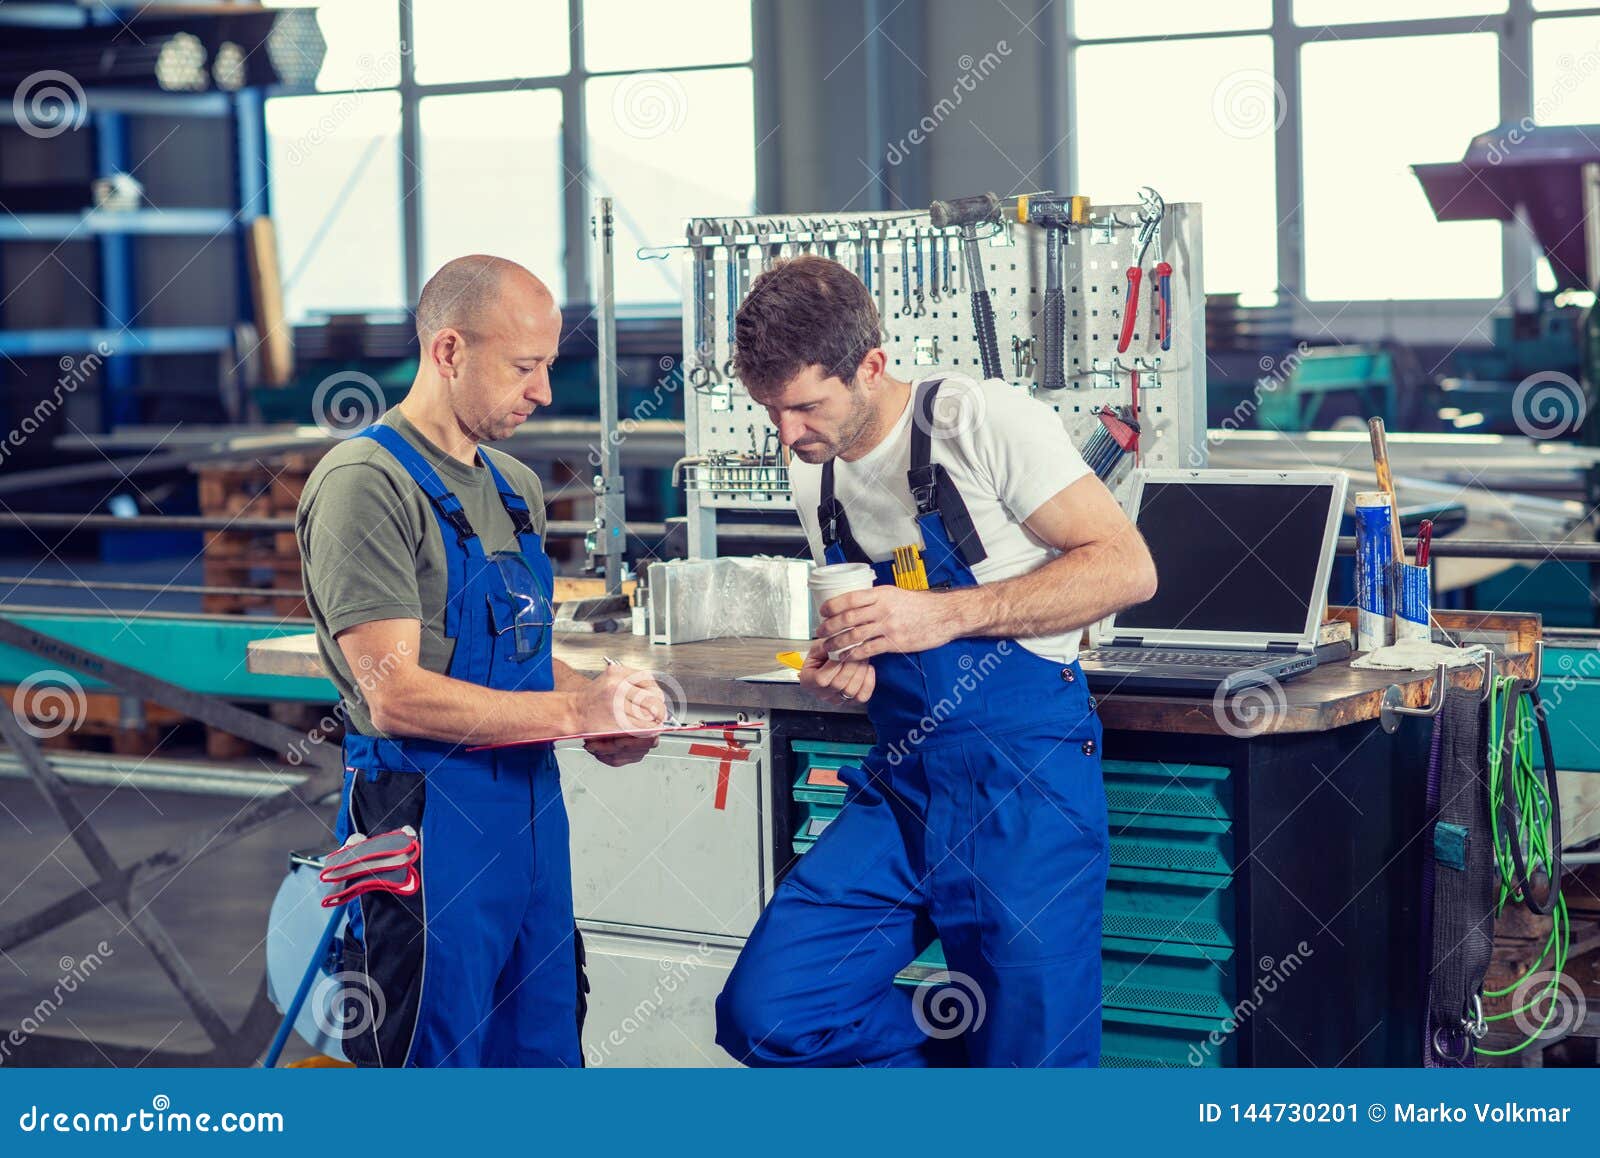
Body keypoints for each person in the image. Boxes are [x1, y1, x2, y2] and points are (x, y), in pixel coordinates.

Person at [714, 255, 1158, 1067]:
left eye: (806, 405)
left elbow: (1127, 567)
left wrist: (944, 615)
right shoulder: (810, 467)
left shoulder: (981, 420)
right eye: (770, 410)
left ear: (871, 366)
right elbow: (884, 631)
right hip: (906, 784)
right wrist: (849, 659)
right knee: (770, 1011)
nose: (788, 433)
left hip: (1020, 778)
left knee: (1032, 1056)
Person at [296, 254, 665, 1067]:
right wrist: (569, 713)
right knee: (438, 1067)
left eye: (548, 367)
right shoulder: (366, 482)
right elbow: (395, 697)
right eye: (525, 367)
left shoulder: (513, 485)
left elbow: (522, 664)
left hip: (532, 820)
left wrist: (597, 703)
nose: (541, 392)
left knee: (543, 1056)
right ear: (450, 351)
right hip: (429, 824)